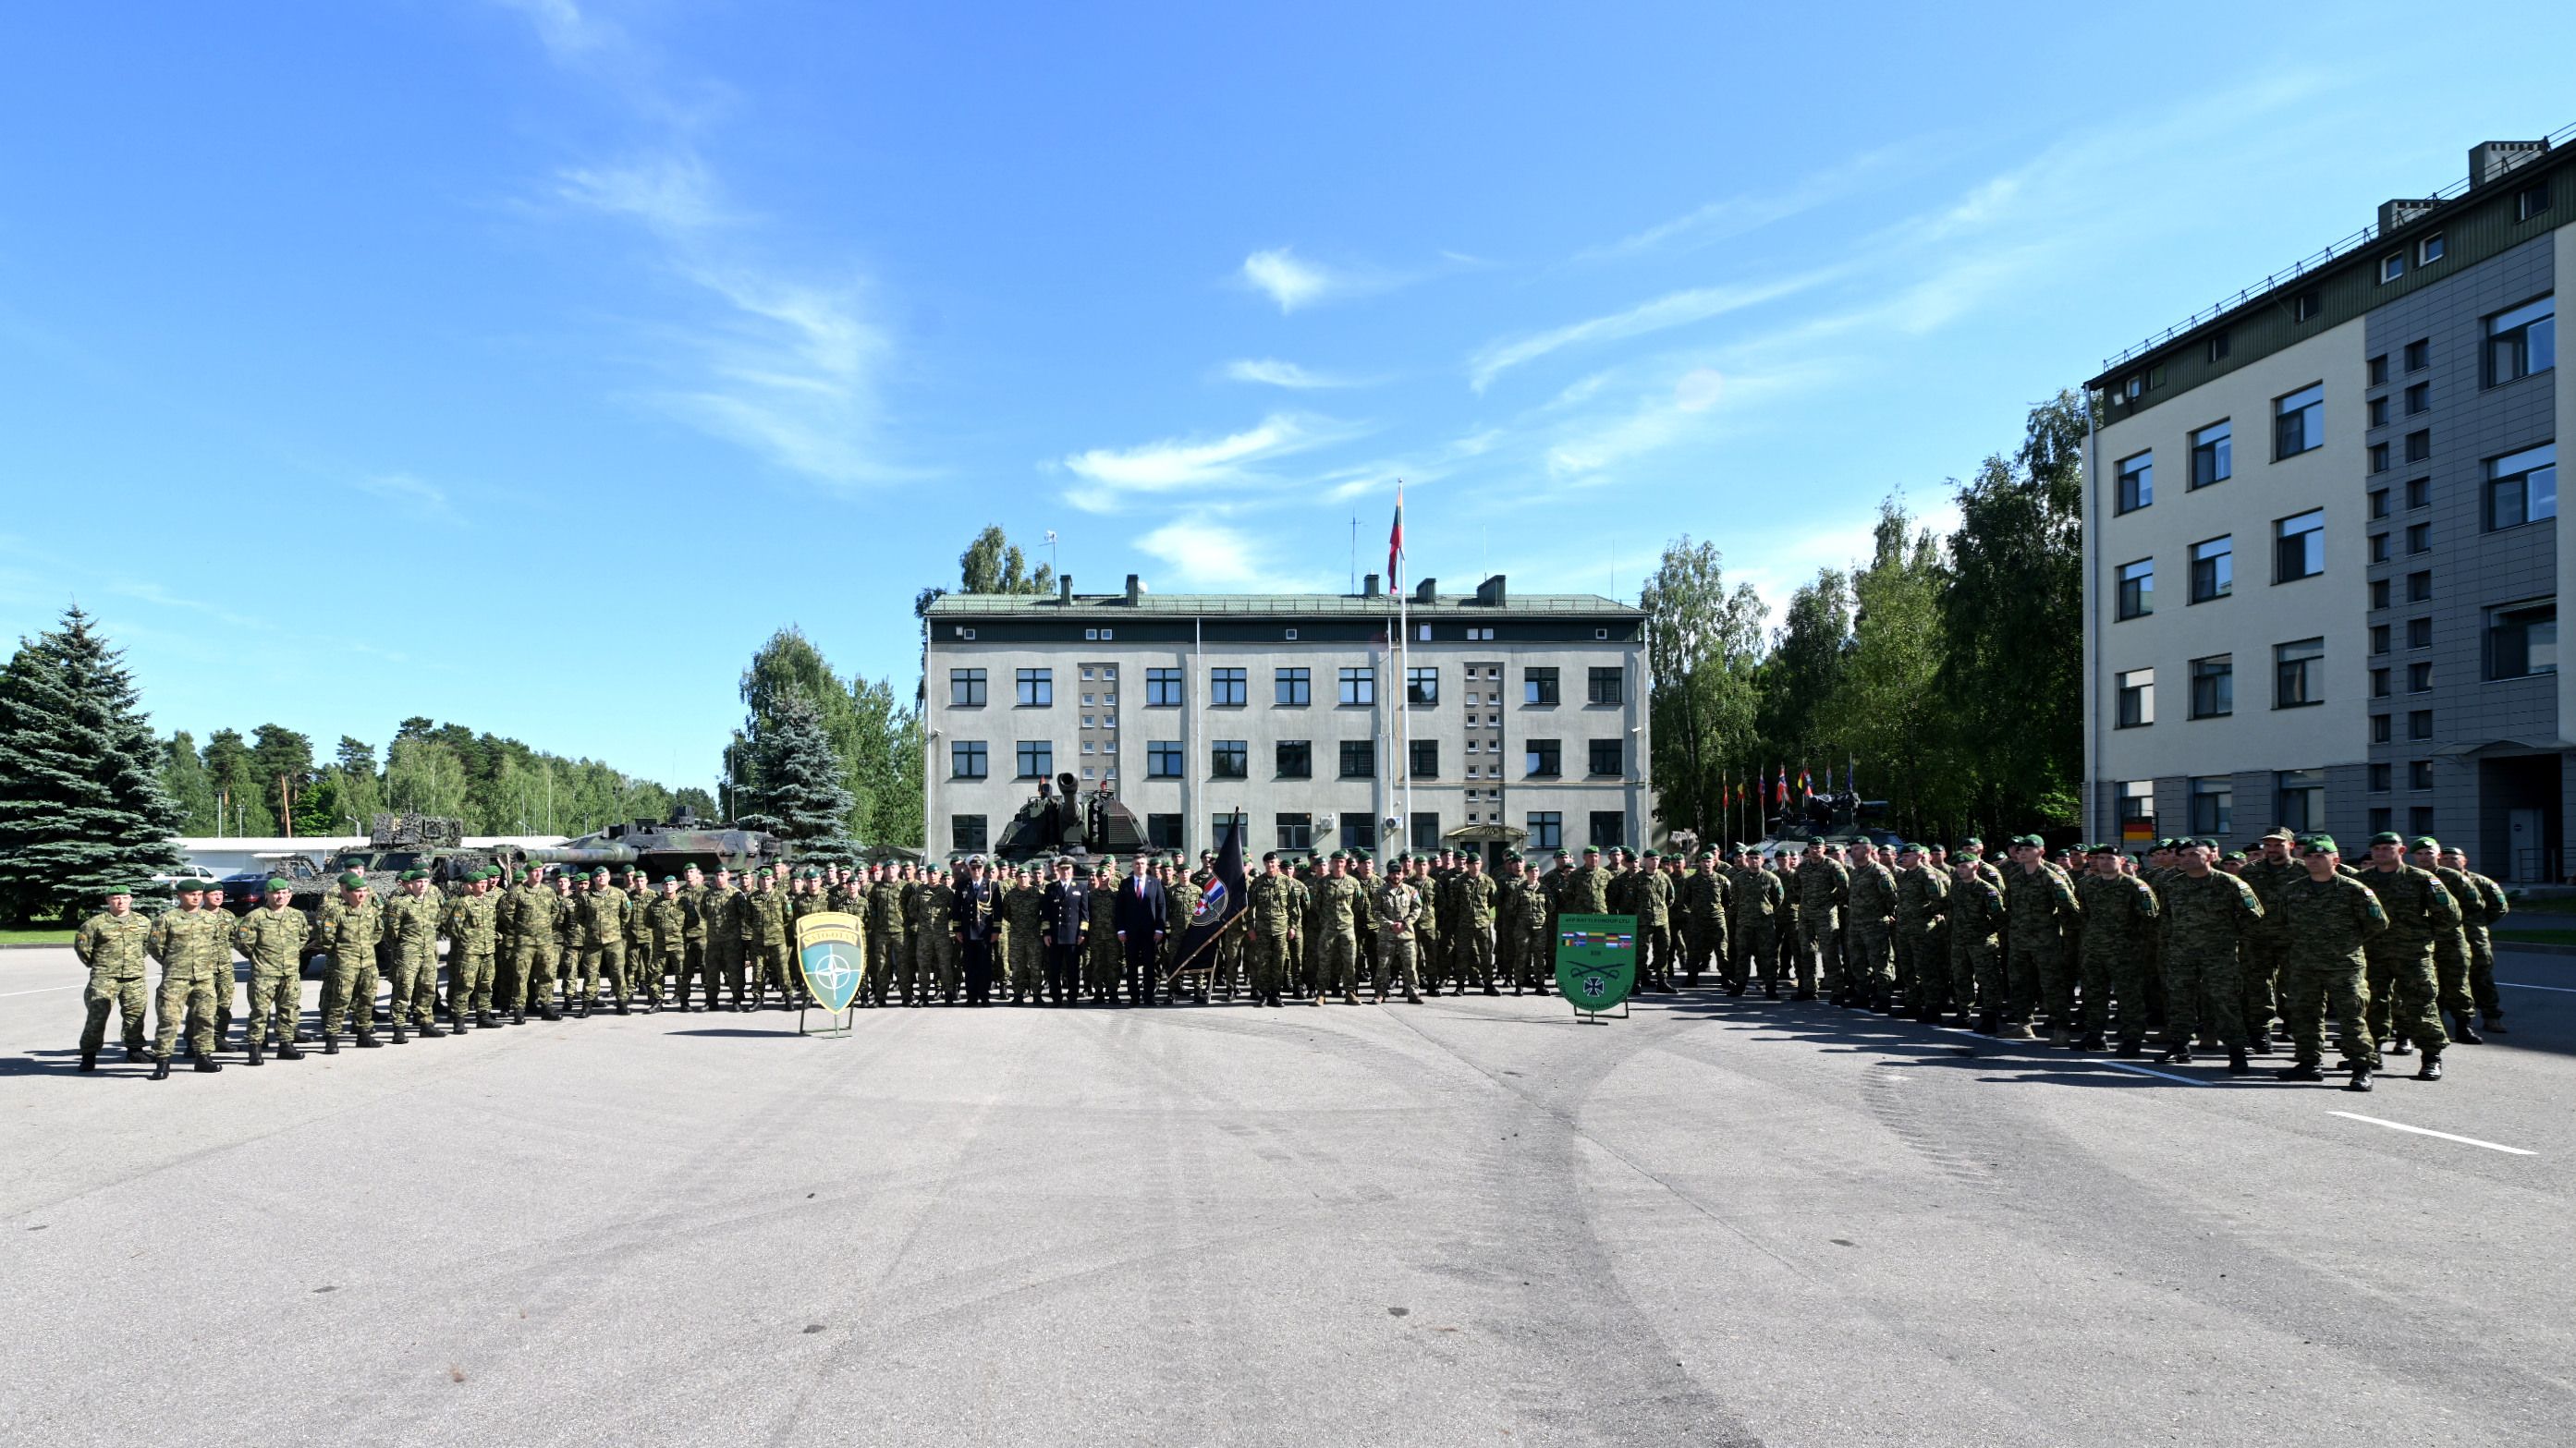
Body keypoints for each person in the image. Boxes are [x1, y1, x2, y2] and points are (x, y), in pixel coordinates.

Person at [2274, 835, 2387, 1090]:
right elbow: (2283, 922)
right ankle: (2309, 1064)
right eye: (2310, 856)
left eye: (2320, 856)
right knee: (2305, 1015)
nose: (2313, 861)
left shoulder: (2354, 890)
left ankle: (2362, 1067)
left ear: (2335, 860)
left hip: (2344, 964)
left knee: (2351, 1016)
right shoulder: (2293, 890)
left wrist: (2345, 942)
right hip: (2305, 963)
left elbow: (2378, 923)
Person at [2354, 830, 2459, 1079]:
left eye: (2387, 848)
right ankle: (2372, 1053)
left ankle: (2431, 1057)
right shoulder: (2362, 881)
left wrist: (2423, 936)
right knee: (2372, 1004)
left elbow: (2450, 915)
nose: (2381, 852)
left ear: (2401, 851)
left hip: (2412, 954)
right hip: (2373, 953)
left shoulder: (2421, 879)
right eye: (2377, 848)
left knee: (2421, 1004)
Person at [2155, 840, 2260, 1071]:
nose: (2188, 858)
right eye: (2183, 855)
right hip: (2182, 953)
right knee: (2180, 1000)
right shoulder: (2173, 885)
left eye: (2194, 854)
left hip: (2218, 953)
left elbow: (2254, 917)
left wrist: (2234, 940)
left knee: (2225, 1001)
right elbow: (2166, 919)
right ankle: (2180, 1046)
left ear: (2210, 857)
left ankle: (2237, 1051)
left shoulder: (2230, 883)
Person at [2073, 844, 2158, 1056]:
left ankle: (2133, 1038)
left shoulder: (2135, 886)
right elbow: (2082, 914)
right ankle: (2095, 1035)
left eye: (2110, 858)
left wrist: (2137, 946)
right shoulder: (2088, 885)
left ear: (2121, 861)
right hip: (2094, 949)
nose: (2104, 862)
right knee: (2093, 994)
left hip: (2126, 952)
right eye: (2100, 858)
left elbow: (2150, 920)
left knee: (2129, 997)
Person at [145, 880, 227, 1077]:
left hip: (204, 977)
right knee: (169, 1021)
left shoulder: (209, 919)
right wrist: (172, 963)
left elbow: (216, 944)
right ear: (180, 895)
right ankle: (163, 1061)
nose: (196, 897)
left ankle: (203, 1057)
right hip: (176, 979)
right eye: (191, 894)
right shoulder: (166, 919)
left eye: (199, 894)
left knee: (205, 1019)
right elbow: (155, 947)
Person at [73, 885, 153, 1070]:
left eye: (125, 898)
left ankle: (135, 1051)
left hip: (134, 977)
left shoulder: (143, 922)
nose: (120, 901)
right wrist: (98, 964)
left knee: (135, 1015)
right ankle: (88, 1055)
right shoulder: (95, 923)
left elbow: (148, 945)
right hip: (105, 977)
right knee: (97, 1016)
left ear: (131, 899)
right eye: (116, 898)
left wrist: (134, 960)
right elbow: (83, 947)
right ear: (107, 900)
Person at [232, 877, 311, 1065]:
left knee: (289, 1010)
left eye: (284, 893)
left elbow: (303, 938)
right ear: (267, 895)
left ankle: (286, 1045)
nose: (280, 897)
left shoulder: (296, 916)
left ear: (290, 895)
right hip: (264, 974)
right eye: (276, 893)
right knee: (259, 1012)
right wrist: (258, 958)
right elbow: (242, 943)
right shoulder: (256, 917)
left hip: (290, 973)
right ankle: (255, 1048)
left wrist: (290, 954)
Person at [383, 870, 446, 1040]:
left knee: (428, 988)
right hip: (408, 952)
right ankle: (399, 1027)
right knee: (404, 988)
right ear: (410, 884)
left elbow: (437, 924)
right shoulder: (401, 904)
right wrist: (401, 946)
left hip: (428, 952)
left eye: (425, 882)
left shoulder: (433, 902)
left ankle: (426, 1024)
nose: (422, 885)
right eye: (418, 882)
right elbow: (390, 931)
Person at [1115, 850, 1166, 1005]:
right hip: (1130, 933)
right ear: (1132, 865)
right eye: (1137, 864)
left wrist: (1159, 929)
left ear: (1146, 866)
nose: (1140, 866)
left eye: (1143, 864)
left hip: (1150, 932)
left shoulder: (1155, 883)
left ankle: (1149, 996)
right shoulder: (1125, 883)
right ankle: (1134, 997)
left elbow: (1161, 906)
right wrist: (1121, 930)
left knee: (1150, 965)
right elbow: (1119, 909)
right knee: (1131, 966)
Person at [1373, 868, 1426, 1004]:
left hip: (1406, 934)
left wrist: (1404, 923)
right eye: (1393, 873)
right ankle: (1380, 993)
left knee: (1410, 965)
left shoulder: (1411, 891)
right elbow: (1375, 912)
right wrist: (1390, 924)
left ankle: (1413, 992)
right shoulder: (1380, 892)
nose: (1396, 876)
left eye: (1398, 873)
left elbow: (1417, 909)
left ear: (1403, 875)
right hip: (1387, 934)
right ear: (1389, 874)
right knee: (1383, 965)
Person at [1041, 858, 1088, 1006]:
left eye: (1068, 869)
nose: (1065, 872)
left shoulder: (1080, 888)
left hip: (1073, 936)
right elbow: (1046, 914)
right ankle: (1057, 998)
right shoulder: (1051, 888)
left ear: (1072, 871)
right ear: (1058, 871)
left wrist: (1082, 932)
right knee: (1054, 969)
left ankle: (1072, 997)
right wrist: (1046, 933)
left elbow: (1085, 914)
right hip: (1055, 935)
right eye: (1062, 869)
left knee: (1073, 969)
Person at [956, 857, 999, 1006]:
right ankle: (971, 997)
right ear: (969, 869)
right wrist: (957, 930)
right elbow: (956, 909)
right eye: (973, 868)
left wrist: (996, 931)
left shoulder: (992, 886)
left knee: (985, 966)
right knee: (969, 967)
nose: (976, 871)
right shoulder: (962, 885)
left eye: (979, 868)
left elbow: (997, 911)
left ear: (983, 869)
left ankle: (985, 997)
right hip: (967, 933)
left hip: (985, 933)